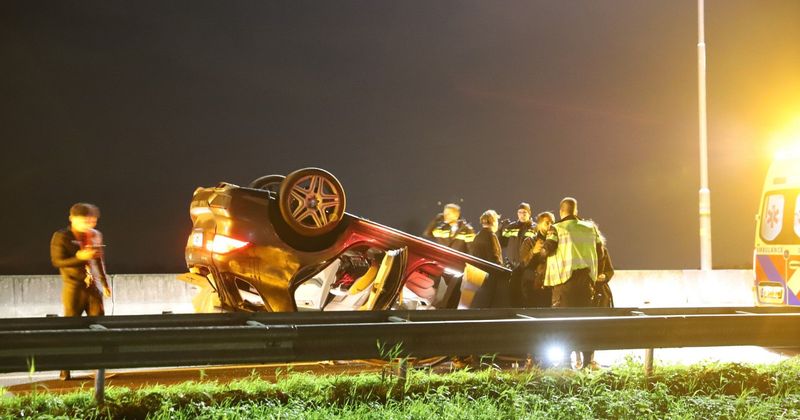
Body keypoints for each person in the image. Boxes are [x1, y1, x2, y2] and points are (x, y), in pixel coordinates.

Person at [50, 203, 112, 380]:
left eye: (93, 220)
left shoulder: (95, 236)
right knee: (70, 330)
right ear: (72, 219)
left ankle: (99, 370)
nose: (90, 224)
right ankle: (65, 368)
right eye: (86, 220)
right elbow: (57, 261)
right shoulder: (62, 236)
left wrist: (105, 284)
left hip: (93, 289)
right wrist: (78, 257)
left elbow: (98, 261)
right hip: (73, 289)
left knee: (99, 327)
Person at [543, 197, 604, 369]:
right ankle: (587, 362)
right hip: (587, 282)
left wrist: (539, 251)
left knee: (563, 323)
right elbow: (601, 253)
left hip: (564, 281)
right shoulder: (591, 228)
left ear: (561, 211)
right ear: (575, 211)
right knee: (585, 322)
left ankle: (565, 363)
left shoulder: (556, 228)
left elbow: (548, 249)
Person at [516, 211, 555, 308]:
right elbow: (522, 264)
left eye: (552, 223)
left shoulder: (554, 243)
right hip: (531, 286)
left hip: (549, 286)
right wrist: (533, 252)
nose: (550, 225)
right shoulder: (529, 241)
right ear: (539, 224)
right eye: (547, 222)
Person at [498, 202, 536, 267]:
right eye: (520, 212)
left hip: (528, 266)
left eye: (524, 212)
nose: (522, 215)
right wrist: (500, 230)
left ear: (529, 213)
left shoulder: (534, 228)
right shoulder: (511, 227)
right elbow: (501, 243)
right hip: (511, 266)